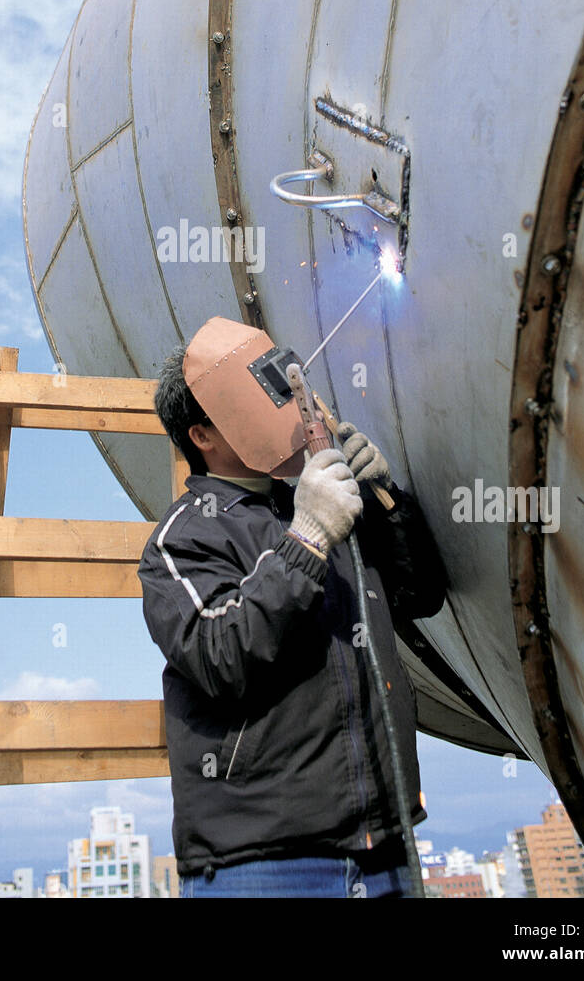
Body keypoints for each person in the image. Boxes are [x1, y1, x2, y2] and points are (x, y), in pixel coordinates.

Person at [138, 315, 447, 899]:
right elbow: (219, 655)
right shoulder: (183, 539)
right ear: (202, 435)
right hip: (264, 862)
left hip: (384, 841)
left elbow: (420, 595)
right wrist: (307, 537)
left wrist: (384, 499)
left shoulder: (325, 502)